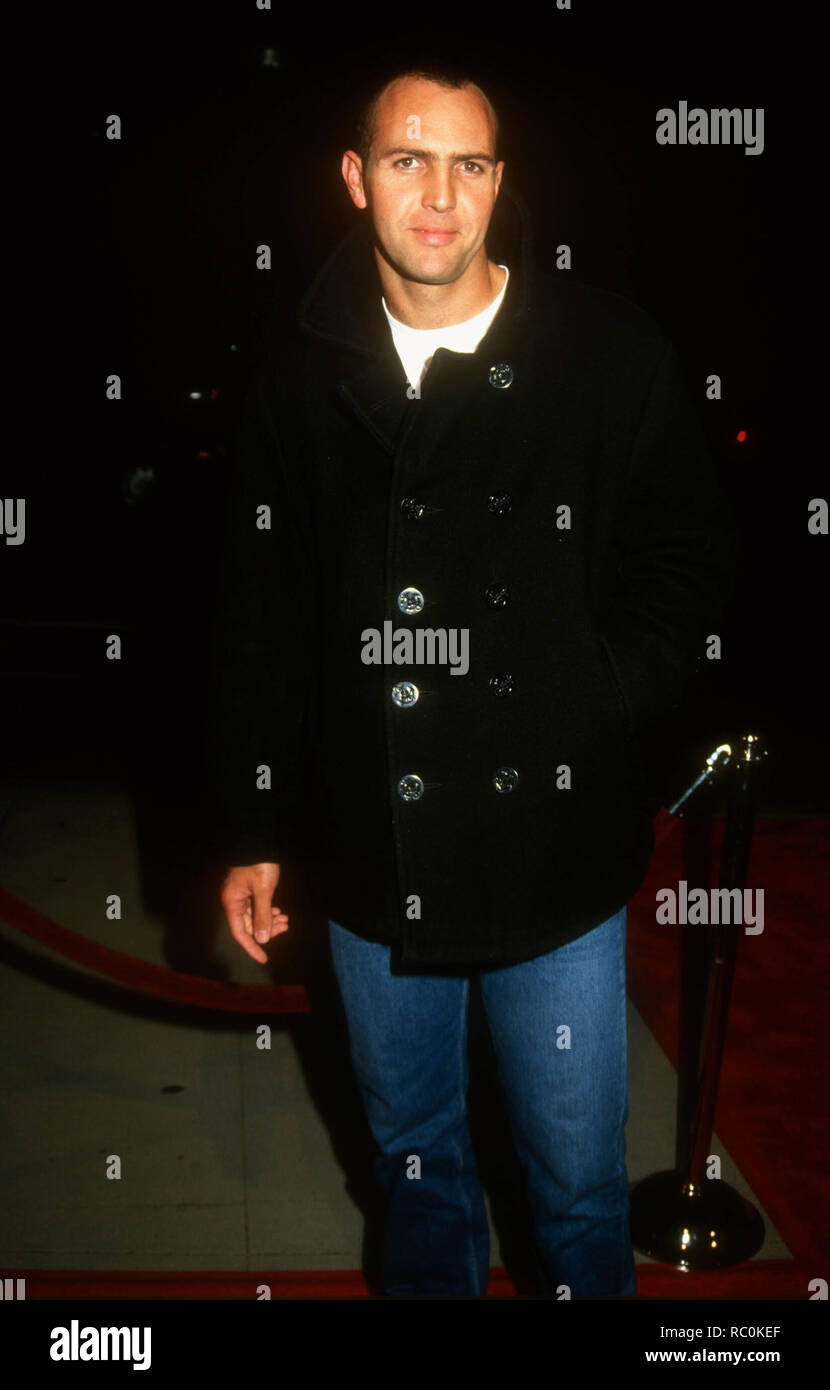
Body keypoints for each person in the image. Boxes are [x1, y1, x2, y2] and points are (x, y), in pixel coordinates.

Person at [208, 66, 738, 1298]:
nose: (439, 197)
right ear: (355, 178)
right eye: (407, 160)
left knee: (572, 1185)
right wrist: (248, 822)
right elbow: (258, 613)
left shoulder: (603, 352)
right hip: (373, 852)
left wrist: (591, 695)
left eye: (470, 165)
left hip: (550, 850)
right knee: (413, 1168)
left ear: (500, 183)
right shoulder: (296, 369)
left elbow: (690, 561)